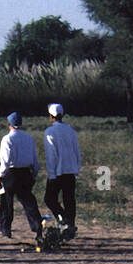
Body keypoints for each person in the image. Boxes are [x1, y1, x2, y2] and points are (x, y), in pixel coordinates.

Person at [0, 112, 42, 240]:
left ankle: (6, 229)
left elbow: (6, 161)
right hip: (26, 173)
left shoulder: (7, 139)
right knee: (29, 202)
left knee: (7, 202)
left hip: (11, 175)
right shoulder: (29, 138)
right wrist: (34, 175)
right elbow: (35, 160)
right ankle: (37, 227)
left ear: (9, 124)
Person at [43, 102, 81, 239]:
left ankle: (63, 219)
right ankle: (70, 225)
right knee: (69, 199)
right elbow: (77, 150)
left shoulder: (49, 132)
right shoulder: (70, 130)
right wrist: (77, 168)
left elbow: (51, 155)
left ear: (51, 116)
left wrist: (51, 174)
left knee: (49, 199)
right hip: (70, 170)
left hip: (57, 172)